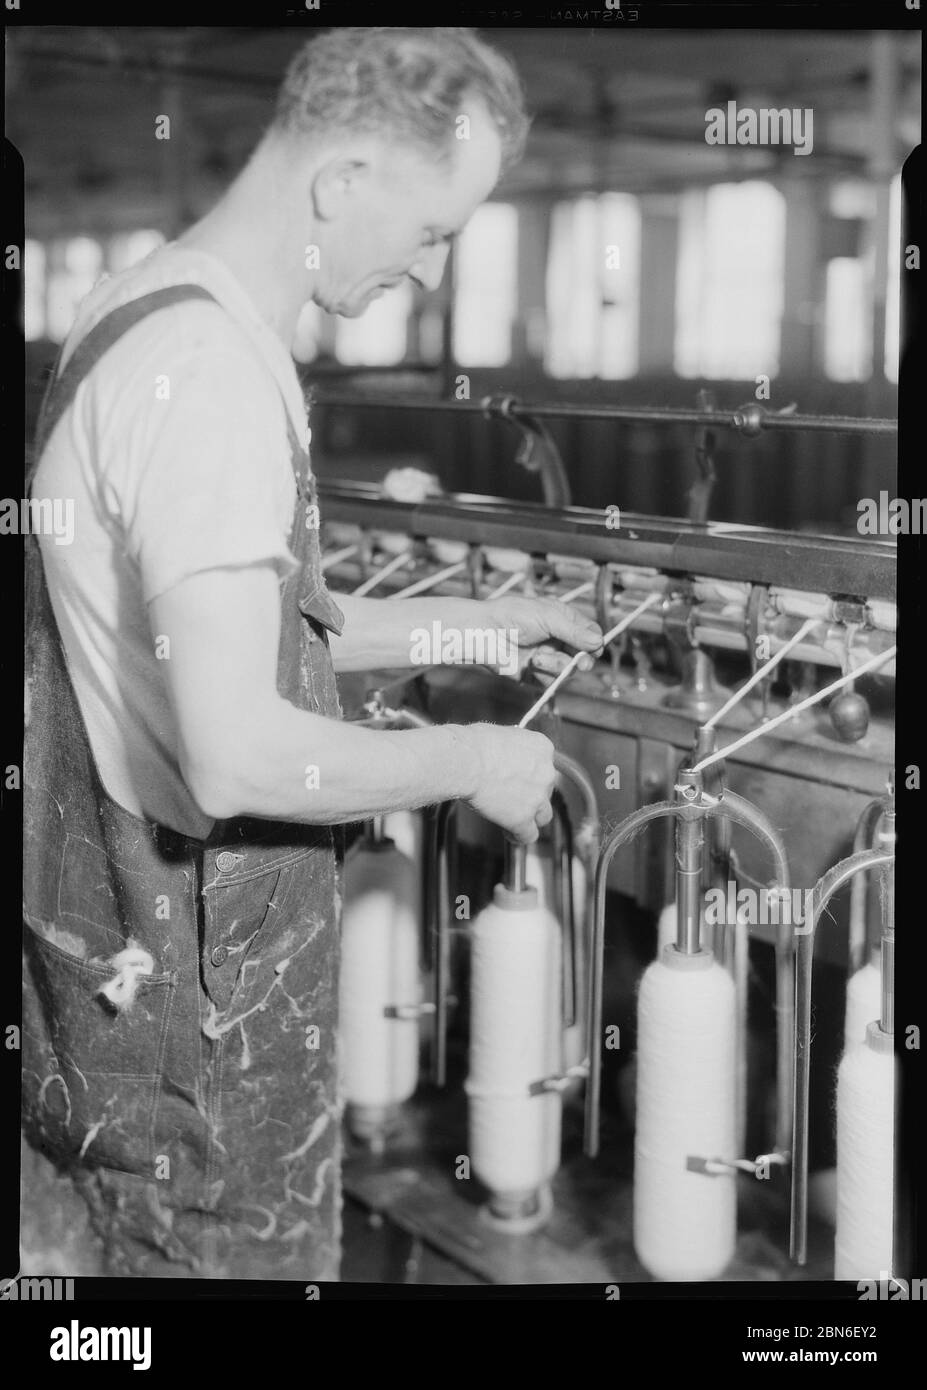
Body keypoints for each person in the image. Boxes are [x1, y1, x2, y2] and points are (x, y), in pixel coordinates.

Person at [22, 26, 602, 1280]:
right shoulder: (212, 375)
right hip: (201, 1029)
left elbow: (267, 643)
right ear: (341, 183)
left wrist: (484, 626)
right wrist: (473, 759)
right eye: (435, 229)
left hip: (121, 986)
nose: (434, 272)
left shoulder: (146, 309)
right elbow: (235, 754)